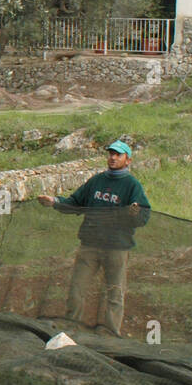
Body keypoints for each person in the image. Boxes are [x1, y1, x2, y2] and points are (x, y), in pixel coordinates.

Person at [38, 140, 151, 336]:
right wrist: (54, 202)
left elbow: (144, 216)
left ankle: (109, 335)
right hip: (89, 245)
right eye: (111, 154)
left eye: (118, 155)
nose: (113, 158)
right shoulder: (96, 181)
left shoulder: (132, 185)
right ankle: (72, 328)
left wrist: (135, 213)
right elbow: (75, 203)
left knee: (115, 293)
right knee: (77, 289)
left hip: (117, 247)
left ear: (128, 160)